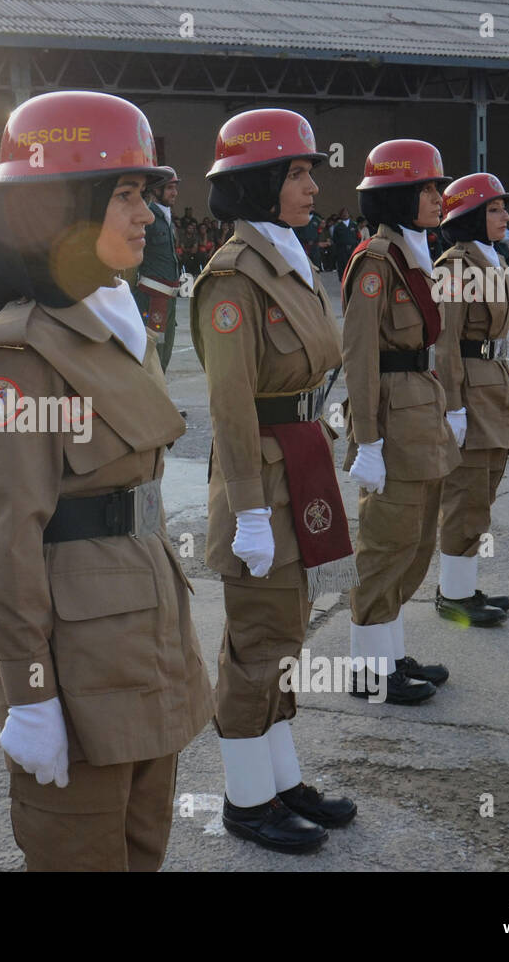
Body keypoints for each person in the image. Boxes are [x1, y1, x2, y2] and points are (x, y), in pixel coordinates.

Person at [0, 89, 213, 871]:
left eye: (146, 194)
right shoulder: (22, 355)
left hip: (145, 634)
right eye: (125, 195)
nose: (149, 215)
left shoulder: (114, 321)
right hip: (73, 665)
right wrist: (31, 694)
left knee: (142, 847)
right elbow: (9, 540)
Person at [192, 108, 359, 853]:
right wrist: (248, 512)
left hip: (299, 456)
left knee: (285, 630)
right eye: (296, 172)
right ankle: (244, 796)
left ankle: (281, 774)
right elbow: (230, 404)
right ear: (260, 183)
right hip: (260, 474)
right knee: (257, 640)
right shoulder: (233, 277)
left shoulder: (287, 256)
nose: (313, 184)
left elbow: (319, 362)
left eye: (309, 171)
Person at [339, 139, 460, 705]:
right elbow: (360, 355)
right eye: (428, 189)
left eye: (438, 188)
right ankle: (369, 670)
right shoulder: (376, 261)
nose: (439, 198)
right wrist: (367, 440)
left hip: (420, 407)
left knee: (414, 541)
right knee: (386, 545)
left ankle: (390, 650)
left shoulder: (412, 253)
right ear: (397, 195)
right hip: (391, 415)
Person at [433, 173, 509, 628]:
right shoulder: (455, 267)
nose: (505, 216)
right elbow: (445, 343)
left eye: (503, 207)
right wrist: (453, 406)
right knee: (466, 496)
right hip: (469, 388)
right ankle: (454, 595)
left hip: (495, 384)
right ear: (469, 216)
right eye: (494, 209)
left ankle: (462, 584)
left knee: (483, 491)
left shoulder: (491, 259)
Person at [133, 166, 183, 371]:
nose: (175, 193)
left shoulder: (167, 219)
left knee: (165, 352)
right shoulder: (149, 217)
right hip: (153, 299)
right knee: (154, 354)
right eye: (169, 188)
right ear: (156, 190)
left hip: (168, 300)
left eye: (175, 187)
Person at [331, 209, 360, 279]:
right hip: (342, 248)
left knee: (353, 262)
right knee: (342, 264)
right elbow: (335, 238)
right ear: (340, 215)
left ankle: (353, 277)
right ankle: (343, 278)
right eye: (343, 213)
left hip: (352, 247)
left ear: (349, 214)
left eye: (346, 213)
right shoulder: (338, 226)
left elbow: (358, 236)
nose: (345, 214)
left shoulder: (354, 225)